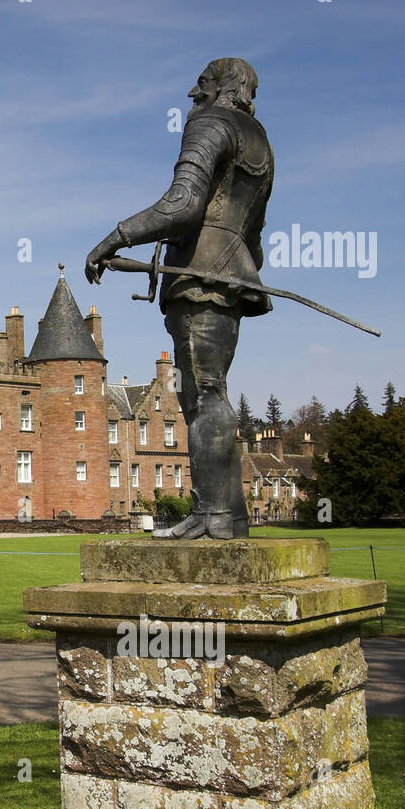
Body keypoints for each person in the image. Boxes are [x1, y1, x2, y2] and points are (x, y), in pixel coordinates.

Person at [86, 57, 273, 539]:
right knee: (214, 391)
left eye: (202, 87)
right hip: (233, 279)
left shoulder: (210, 125)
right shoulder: (260, 141)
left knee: (202, 393)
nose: (195, 96)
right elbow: (254, 234)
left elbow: (183, 203)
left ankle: (210, 516)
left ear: (218, 89)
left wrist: (116, 236)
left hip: (198, 278)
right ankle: (230, 516)